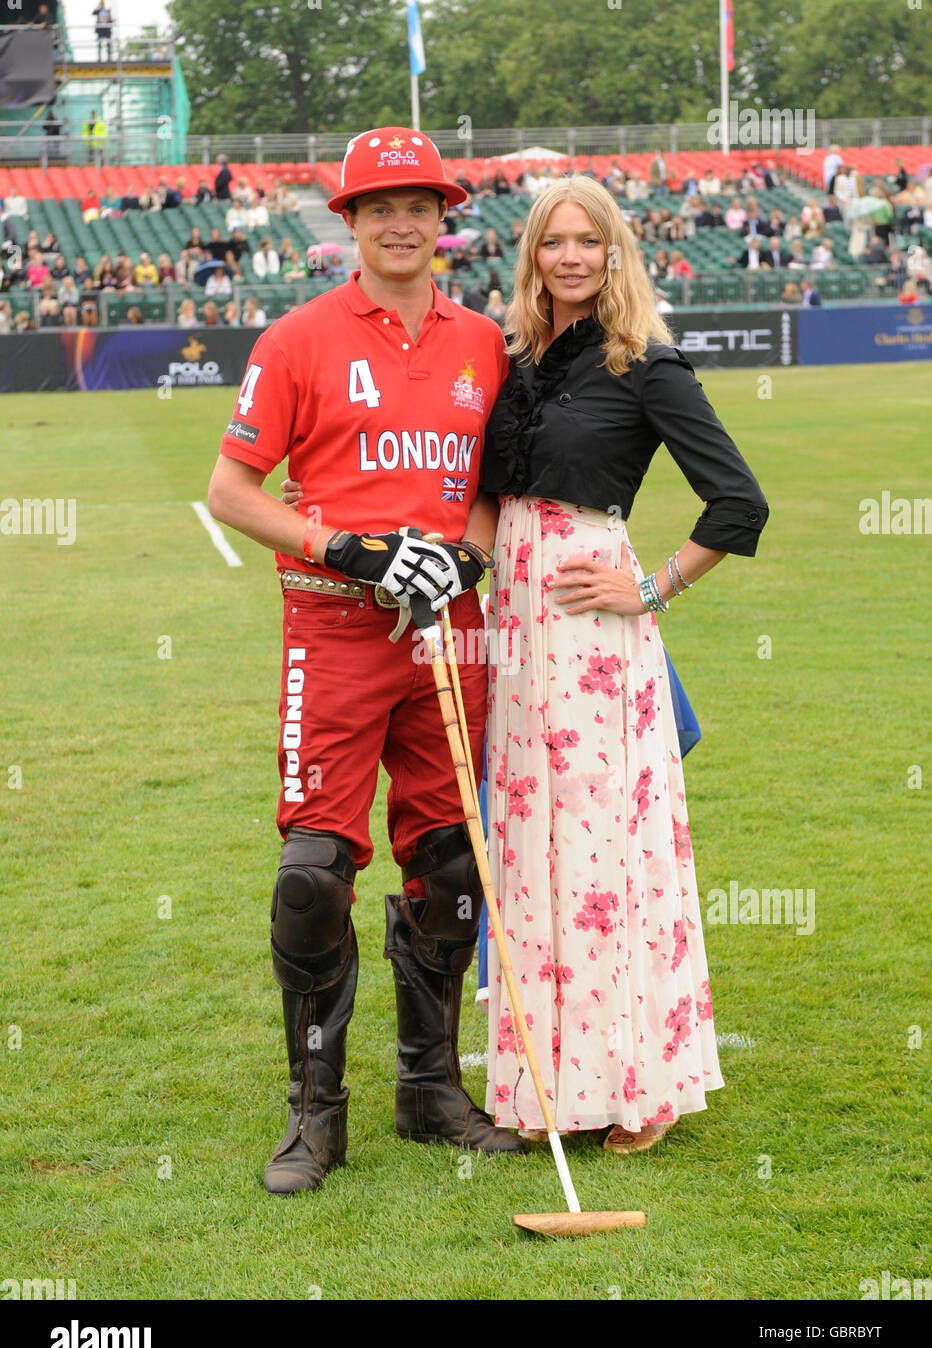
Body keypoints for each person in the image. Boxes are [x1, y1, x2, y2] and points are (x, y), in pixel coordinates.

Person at [206, 125, 525, 1197]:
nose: (401, 223)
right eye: (379, 207)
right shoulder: (298, 338)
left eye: (419, 206)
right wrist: (344, 546)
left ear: (444, 222)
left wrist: (465, 557)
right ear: (347, 221)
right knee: (311, 877)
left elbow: (486, 484)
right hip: (336, 632)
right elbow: (233, 491)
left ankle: (429, 1090)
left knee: (448, 865)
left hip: (444, 637)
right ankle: (314, 1110)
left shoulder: (483, 343)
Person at [477, 177, 769, 1150]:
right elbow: (484, 493)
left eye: (585, 240)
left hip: (590, 638)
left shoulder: (644, 362)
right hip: (511, 626)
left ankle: (634, 1083)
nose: (568, 255)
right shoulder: (513, 360)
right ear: (532, 254)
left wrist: (650, 588)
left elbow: (737, 502)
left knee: (601, 854)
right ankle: (548, 1089)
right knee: (529, 853)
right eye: (552, 240)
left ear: (612, 253)